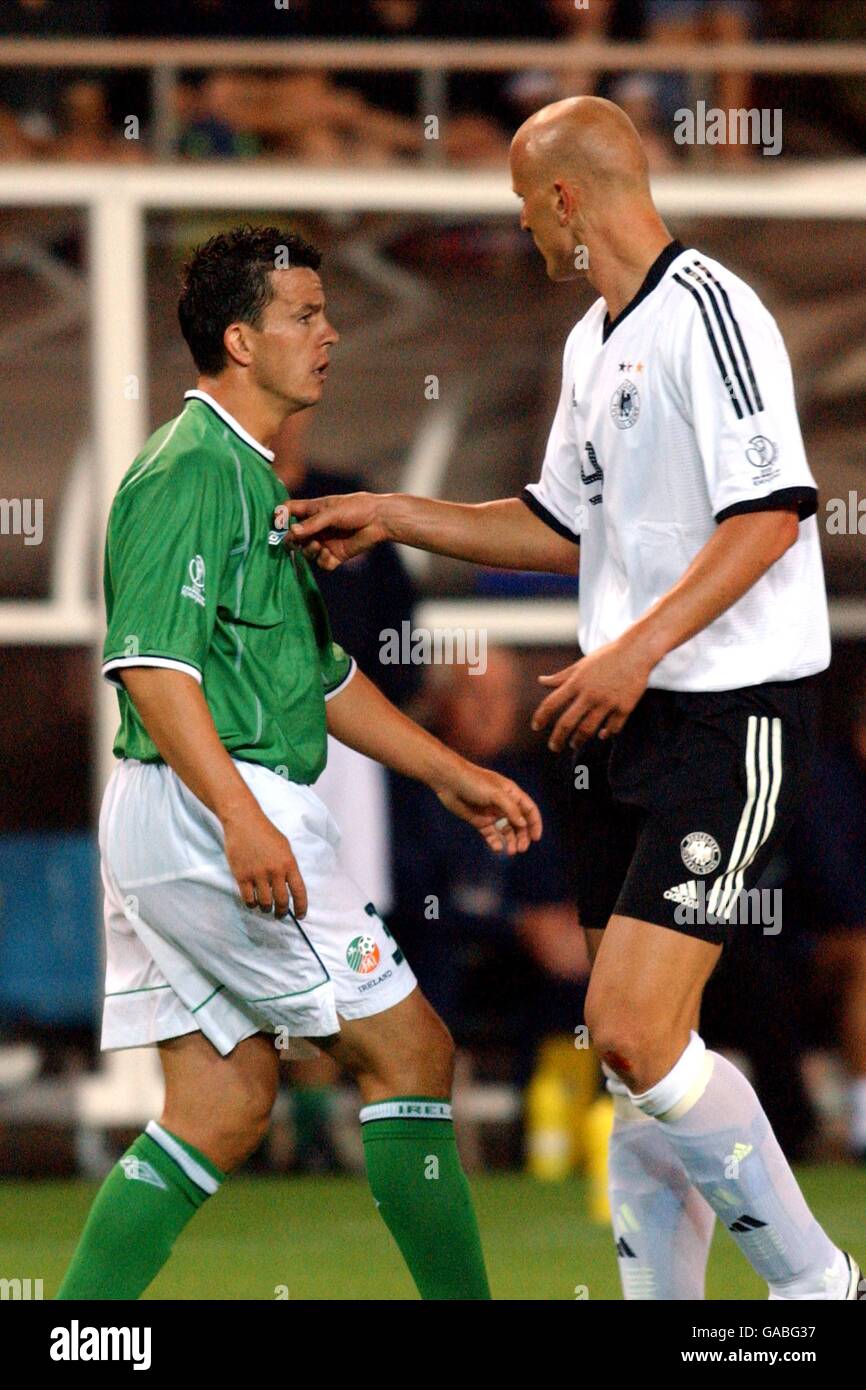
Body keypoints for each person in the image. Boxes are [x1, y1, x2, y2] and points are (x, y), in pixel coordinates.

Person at [289, 96, 862, 1300]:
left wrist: (631, 651)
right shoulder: (588, 342)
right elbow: (557, 524)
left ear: (561, 198)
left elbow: (769, 515)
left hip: (730, 711)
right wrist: (394, 512)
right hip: (628, 718)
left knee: (640, 1032)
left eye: (517, 200)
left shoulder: (714, 311)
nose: (519, 227)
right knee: (629, 1052)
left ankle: (816, 1286)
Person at [57, 224, 542, 1301]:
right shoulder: (187, 470)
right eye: (305, 315)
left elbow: (319, 676)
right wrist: (239, 815)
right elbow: (151, 670)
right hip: (209, 799)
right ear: (240, 339)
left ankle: (74, 1331)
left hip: (176, 804)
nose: (329, 334)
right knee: (411, 1052)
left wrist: (443, 772)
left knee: (219, 1107)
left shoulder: (251, 478)